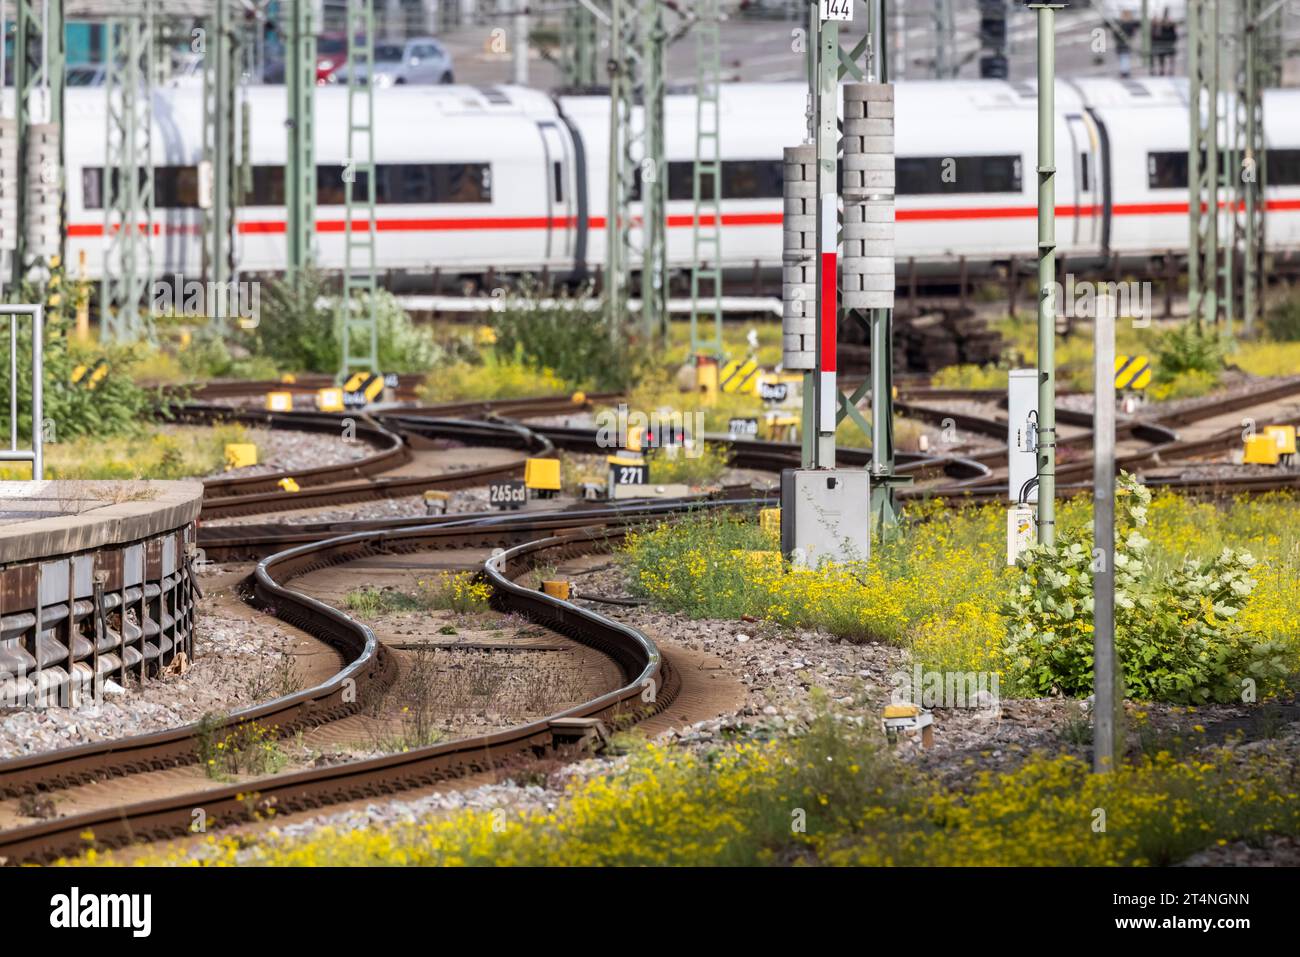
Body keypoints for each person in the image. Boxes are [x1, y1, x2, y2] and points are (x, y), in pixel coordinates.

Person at [1112, 11, 1140, 79]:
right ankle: (1125, 71)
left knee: (1124, 57)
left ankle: (1125, 72)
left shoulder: (1122, 24)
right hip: (1122, 43)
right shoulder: (1121, 24)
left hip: (1124, 43)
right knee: (1124, 57)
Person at [1155, 12, 1177, 76]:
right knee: (1161, 57)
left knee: (1171, 58)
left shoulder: (1171, 27)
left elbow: (1174, 36)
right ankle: (1162, 69)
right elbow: (1158, 36)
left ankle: (1171, 69)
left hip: (1170, 44)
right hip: (1162, 44)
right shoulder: (1161, 27)